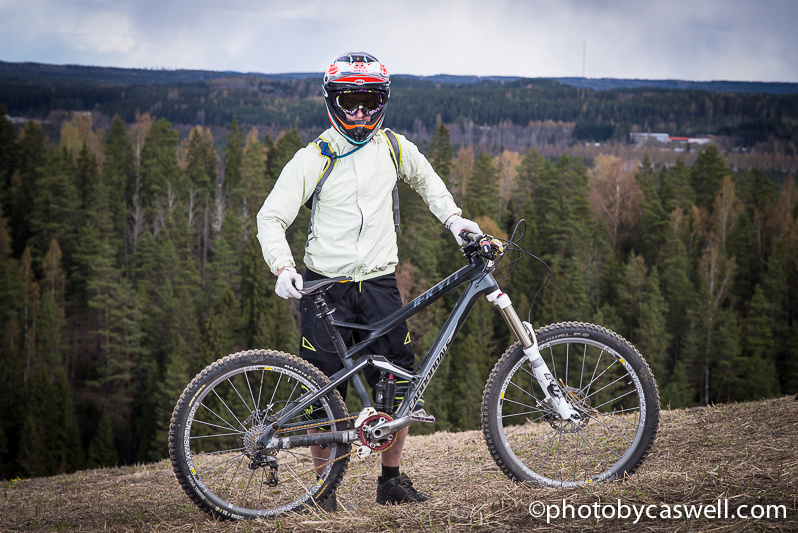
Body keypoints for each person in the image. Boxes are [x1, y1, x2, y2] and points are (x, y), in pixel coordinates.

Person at [256, 52, 481, 508]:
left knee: (396, 386)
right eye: (349, 101)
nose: (359, 112)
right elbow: (271, 216)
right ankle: (323, 494)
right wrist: (282, 266)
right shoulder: (316, 156)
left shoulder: (394, 148)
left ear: (383, 101)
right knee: (325, 394)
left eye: (369, 101)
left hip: (379, 284)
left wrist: (456, 221)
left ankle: (391, 481)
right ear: (332, 102)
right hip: (326, 287)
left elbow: (428, 182)